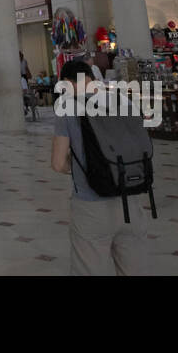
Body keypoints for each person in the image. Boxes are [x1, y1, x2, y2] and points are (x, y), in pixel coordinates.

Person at [51, 60, 149, 275]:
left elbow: (58, 163)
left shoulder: (68, 108)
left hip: (91, 206)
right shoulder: (124, 101)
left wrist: (84, 167)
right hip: (130, 199)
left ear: (68, 82)